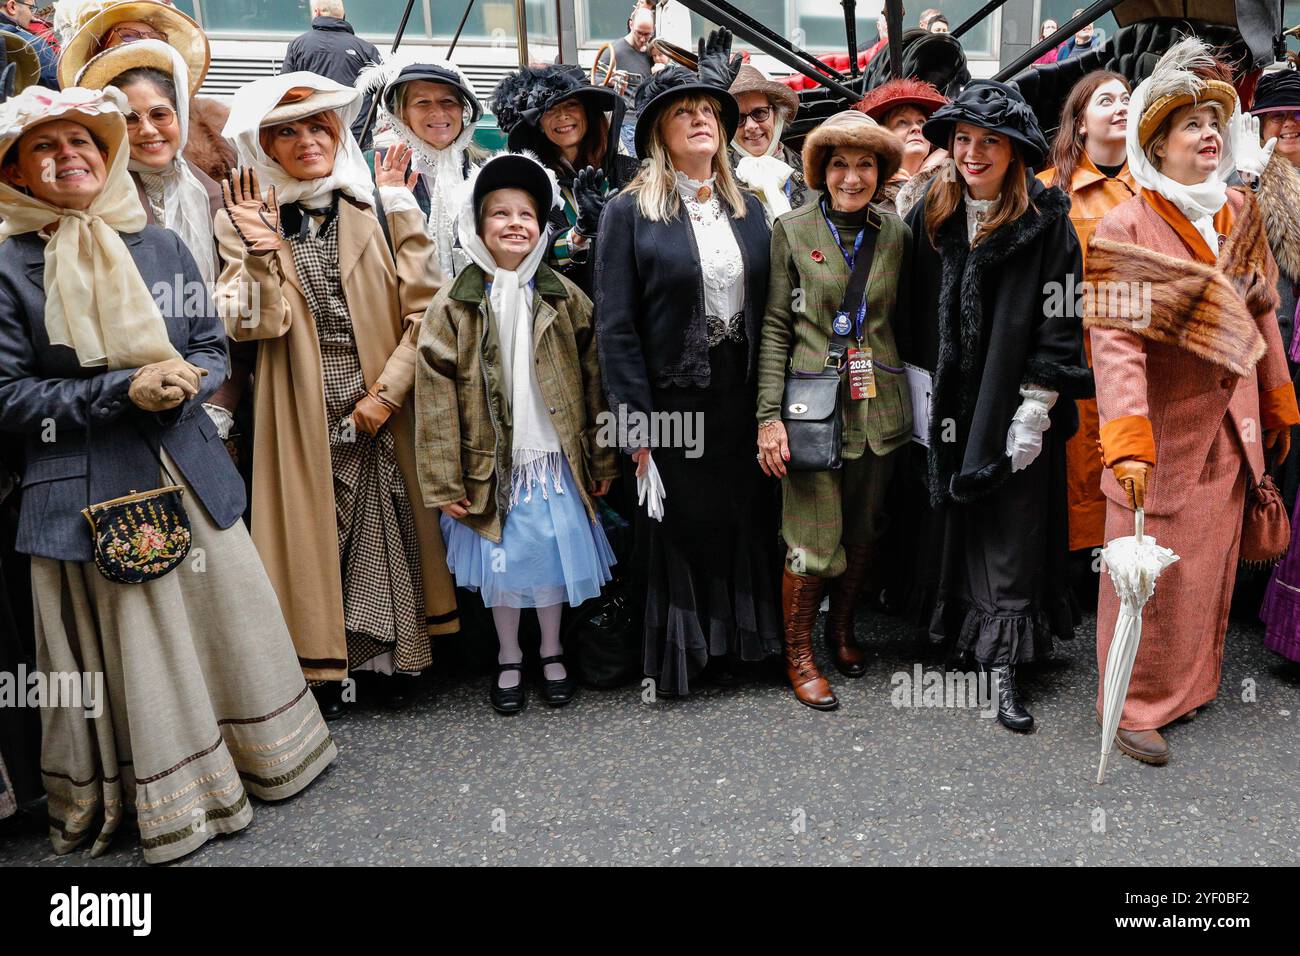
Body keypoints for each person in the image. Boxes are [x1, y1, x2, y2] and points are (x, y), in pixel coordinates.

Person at [0, 86, 336, 863]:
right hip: (89, 488)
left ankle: (260, 761)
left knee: (222, 624)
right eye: (45, 148)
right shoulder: (10, 262)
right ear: (16, 169)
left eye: (81, 142)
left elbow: (213, 343)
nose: (69, 157)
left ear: (105, 153)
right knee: (145, 651)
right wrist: (122, 389)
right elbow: (10, 396)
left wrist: (189, 373)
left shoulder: (155, 242)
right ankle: (175, 798)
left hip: (185, 464)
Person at [214, 74, 459, 716]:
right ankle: (325, 664)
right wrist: (263, 253)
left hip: (378, 402)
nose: (306, 141)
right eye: (286, 131)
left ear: (338, 133)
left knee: (384, 526)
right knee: (315, 533)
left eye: (318, 126)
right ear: (263, 146)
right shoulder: (240, 218)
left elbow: (428, 310)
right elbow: (250, 324)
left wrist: (386, 396)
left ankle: (389, 659)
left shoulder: (373, 206)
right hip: (297, 409)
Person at [1088, 39, 1298, 764]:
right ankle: (1133, 705)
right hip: (1162, 431)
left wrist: (1277, 403)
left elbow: (1263, 309)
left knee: (1206, 565)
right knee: (1148, 576)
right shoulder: (1125, 225)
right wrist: (1127, 442)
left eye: (1217, 122)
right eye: (1192, 125)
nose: (1211, 134)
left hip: (1230, 426)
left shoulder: (1237, 209)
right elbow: (1114, 345)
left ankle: (1193, 684)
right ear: (1157, 142)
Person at [902, 80, 1089, 733]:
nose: (973, 153)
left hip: (1012, 397)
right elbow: (898, 302)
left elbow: (1062, 322)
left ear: (1012, 151)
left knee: (1010, 527)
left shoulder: (1048, 222)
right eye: (963, 140)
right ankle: (960, 632)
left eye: (989, 142)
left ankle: (1006, 664)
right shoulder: (930, 210)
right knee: (954, 516)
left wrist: (1036, 405)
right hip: (945, 397)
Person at [595, 65, 782, 695]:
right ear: (657, 133)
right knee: (679, 522)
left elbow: (775, 312)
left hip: (741, 393)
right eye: (683, 112)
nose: (701, 119)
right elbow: (615, 327)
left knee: (742, 519)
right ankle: (685, 655)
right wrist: (634, 425)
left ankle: (741, 647)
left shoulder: (751, 209)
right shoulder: (628, 213)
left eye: (708, 110)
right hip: (671, 401)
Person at [416, 152, 618, 714]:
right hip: (491, 463)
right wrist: (443, 476)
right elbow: (434, 397)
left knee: (551, 559)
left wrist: (602, 461)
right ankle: (509, 655)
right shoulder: (453, 304)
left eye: (526, 214)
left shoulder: (564, 296)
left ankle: (551, 650)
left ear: (543, 226)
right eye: (499, 213)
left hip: (553, 459)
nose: (513, 224)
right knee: (502, 565)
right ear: (476, 227)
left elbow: (595, 381)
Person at [756, 110, 911, 709]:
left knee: (867, 528)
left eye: (865, 164)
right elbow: (774, 327)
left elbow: (906, 321)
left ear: (882, 172)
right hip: (812, 409)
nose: (852, 177)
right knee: (813, 538)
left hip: (880, 409)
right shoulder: (791, 231)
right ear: (821, 171)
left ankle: (842, 630)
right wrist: (769, 418)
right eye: (840, 164)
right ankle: (800, 655)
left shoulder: (895, 234)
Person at [1036, 71, 1135, 565]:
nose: (1120, 106)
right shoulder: (1047, 191)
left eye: (1127, 98)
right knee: (1072, 462)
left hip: (1138, 356)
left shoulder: (1161, 189)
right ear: (1079, 123)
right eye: (1106, 99)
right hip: (1068, 353)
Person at [491, 64, 639, 296]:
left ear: (588, 112)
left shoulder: (630, 170)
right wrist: (579, 233)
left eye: (572, 105)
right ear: (539, 123)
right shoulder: (533, 183)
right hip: (569, 315)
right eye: (550, 109)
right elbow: (534, 254)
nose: (562, 116)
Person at [54, 0, 236, 182]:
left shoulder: (214, 126)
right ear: (97, 53)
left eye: (159, 115)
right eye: (129, 36)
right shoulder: (79, 156)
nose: (145, 43)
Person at [357, 51, 485, 284]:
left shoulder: (484, 169)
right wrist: (386, 198)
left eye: (448, 101)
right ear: (403, 114)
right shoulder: (373, 167)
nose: (438, 112)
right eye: (422, 102)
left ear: (463, 111)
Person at [1256, 69, 1300, 664]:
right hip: (1268, 344)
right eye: (1278, 115)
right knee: (1268, 463)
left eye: (1299, 115)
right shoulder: (1246, 180)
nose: (1289, 124)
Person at [280, 0, 380, 148]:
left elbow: (284, 90)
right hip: (357, 138)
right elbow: (383, 93)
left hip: (314, 137)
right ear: (343, 15)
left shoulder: (297, 45)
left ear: (317, 13)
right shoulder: (366, 49)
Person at [855, 76, 949, 215]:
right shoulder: (864, 189)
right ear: (882, 136)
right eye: (902, 122)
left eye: (921, 122)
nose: (916, 128)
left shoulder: (949, 183)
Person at [727, 62, 807, 223]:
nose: (751, 126)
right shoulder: (716, 178)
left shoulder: (812, 172)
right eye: (739, 119)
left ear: (777, 115)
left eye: (760, 113)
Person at [595, 2, 657, 110]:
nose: (643, 39)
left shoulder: (654, 54)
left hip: (646, 114)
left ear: (654, 29)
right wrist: (609, 81)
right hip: (625, 117)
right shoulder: (613, 51)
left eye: (647, 34)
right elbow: (593, 81)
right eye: (639, 33)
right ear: (631, 24)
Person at [0, 0, 55, 87]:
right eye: (30, 8)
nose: (32, 16)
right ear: (12, 7)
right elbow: (57, 83)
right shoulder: (32, 44)